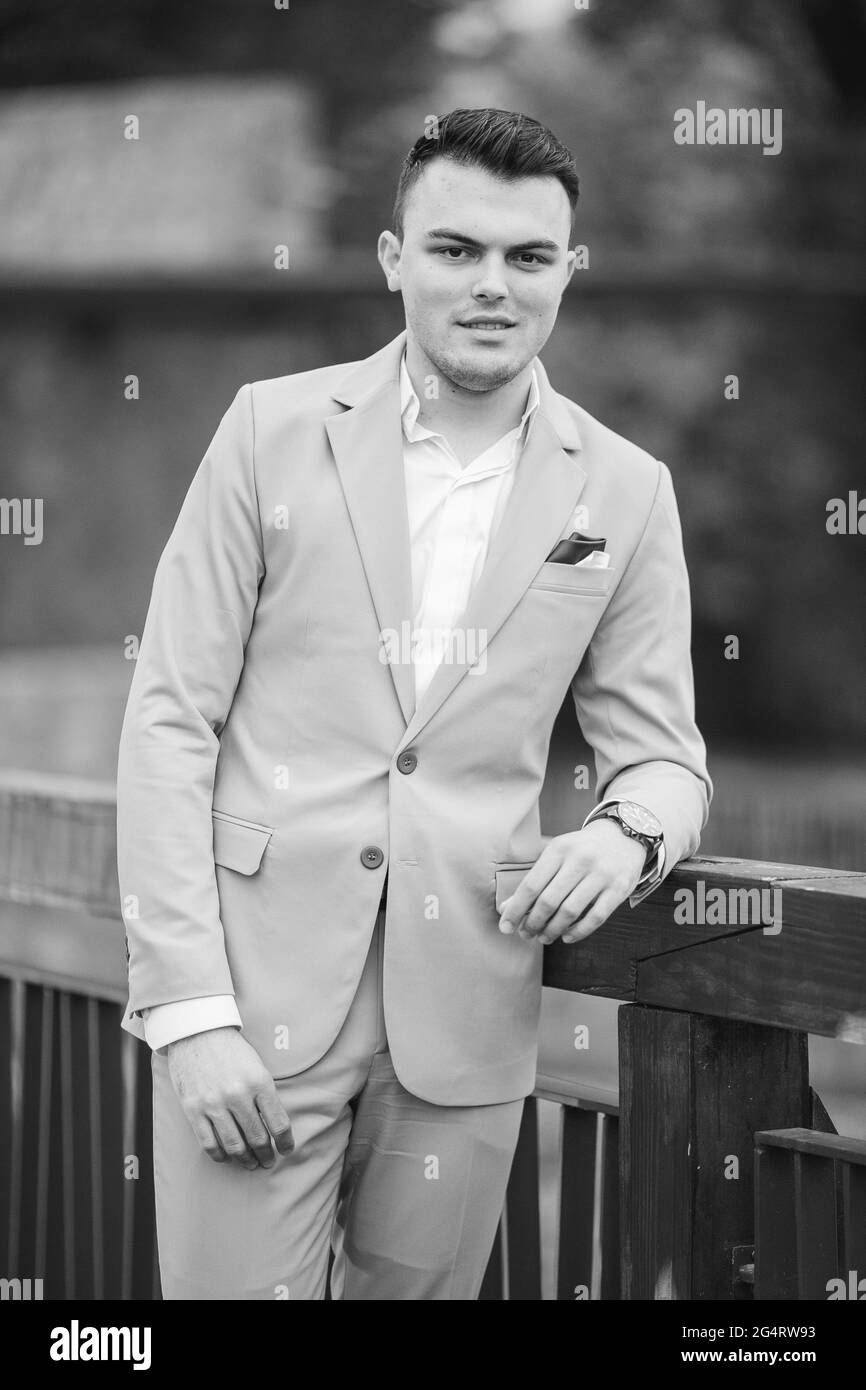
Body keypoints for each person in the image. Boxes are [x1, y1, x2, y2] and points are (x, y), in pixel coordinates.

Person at [116, 107, 711, 1300]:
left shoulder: (627, 492)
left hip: (467, 1025)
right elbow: (168, 719)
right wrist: (187, 1011)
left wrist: (625, 832)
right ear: (396, 261)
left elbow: (663, 760)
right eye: (454, 250)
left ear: (565, 273)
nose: (492, 285)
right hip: (253, 1010)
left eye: (527, 257)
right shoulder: (265, 432)